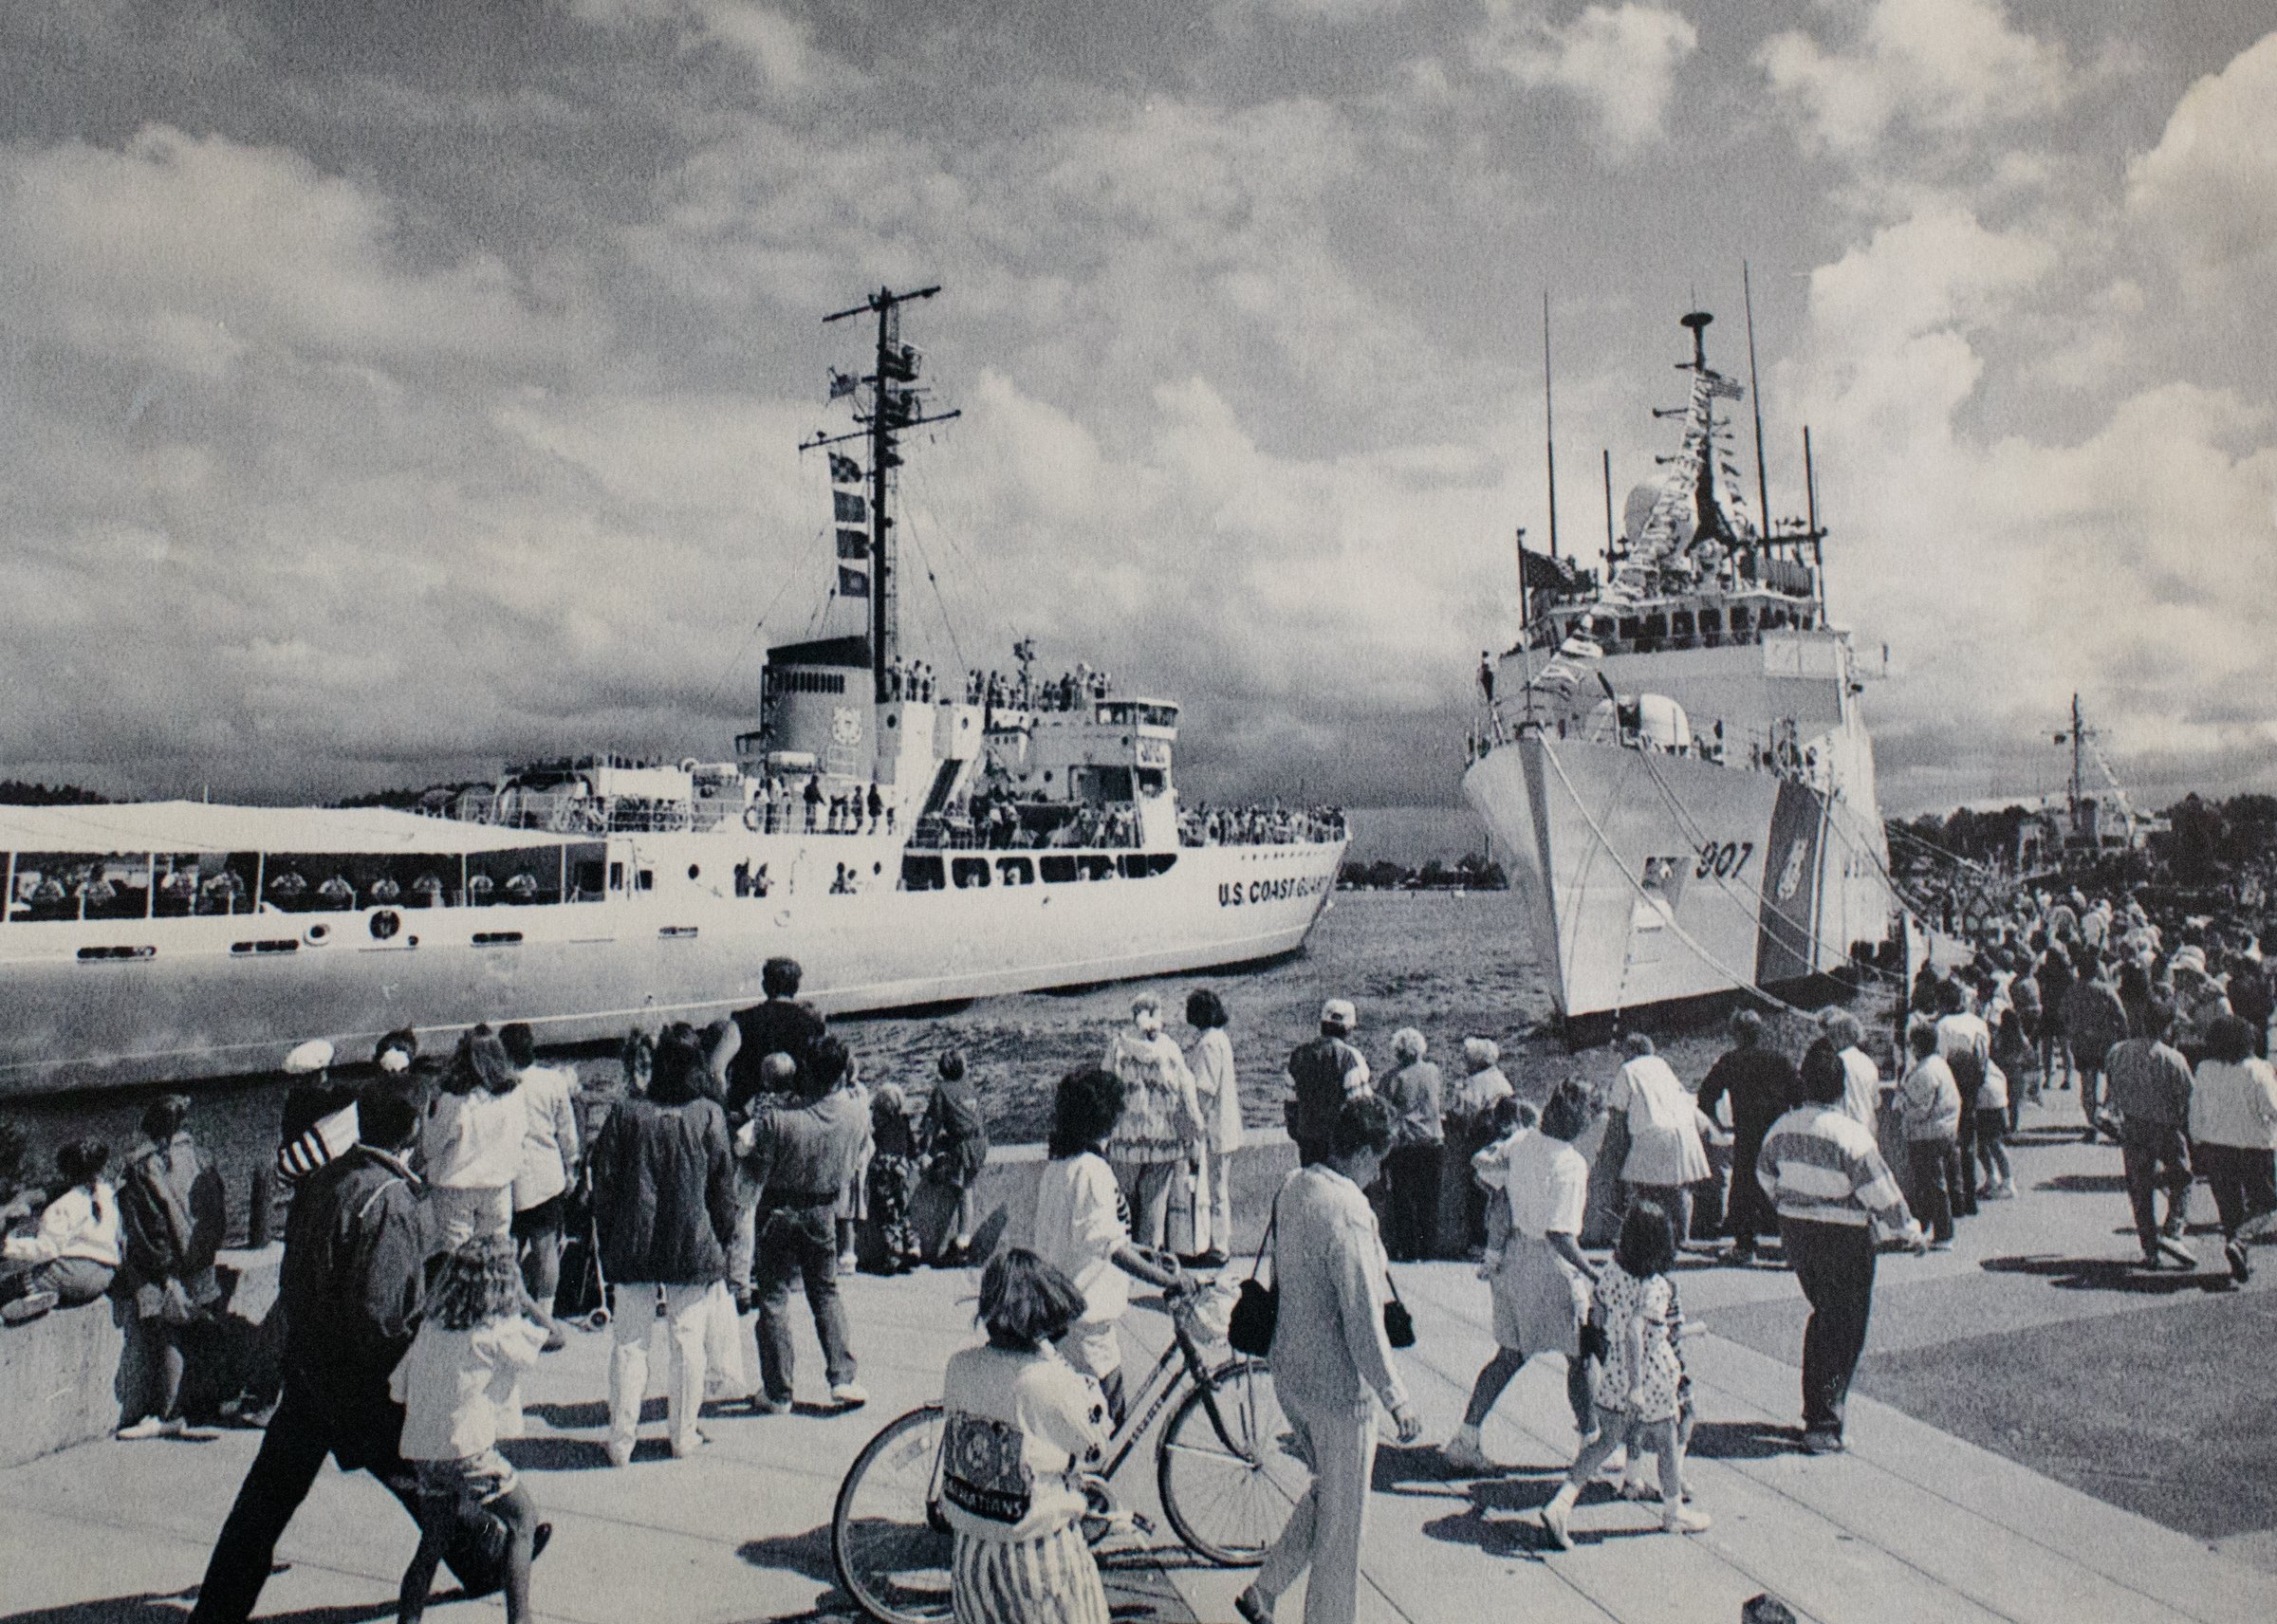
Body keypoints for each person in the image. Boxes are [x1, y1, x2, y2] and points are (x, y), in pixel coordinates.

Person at [187, 1077, 538, 1624]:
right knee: (423, 1477)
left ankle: (214, 1614)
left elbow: (295, 1279)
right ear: (413, 1128)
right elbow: (382, 1316)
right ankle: (484, 1560)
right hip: (361, 1385)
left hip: (308, 1373)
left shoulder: (325, 1180)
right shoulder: (390, 1199)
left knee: (262, 1508)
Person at [1234, 1097, 1420, 1624]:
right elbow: (1363, 1318)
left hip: (1290, 1371)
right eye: (1378, 1160)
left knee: (1326, 1498)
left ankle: (1266, 1590)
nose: (1379, 1173)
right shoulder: (1349, 1211)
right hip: (1341, 1390)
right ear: (1361, 1152)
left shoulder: (1296, 1186)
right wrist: (1396, 1396)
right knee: (1344, 1533)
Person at [1755, 1039, 1926, 1455]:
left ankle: (1818, 1411)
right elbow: (1881, 1192)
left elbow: (1764, 1176)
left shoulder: (1781, 1128)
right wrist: (1909, 1231)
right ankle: (1823, 1422)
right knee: (1846, 1328)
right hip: (1844, 1237)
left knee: (1824, 1316)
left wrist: (1789, 1204)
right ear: (1839, 1087)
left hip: (1799, 1235)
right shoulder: (1851, 1135)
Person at [938, 1249, 1113, 1624]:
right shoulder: (1049, 1380)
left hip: (971, 1552)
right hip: (1037, 1555)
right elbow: (1095, 1444)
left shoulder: (960, 1365)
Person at [589, 1028, 736, 1463]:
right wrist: (721, 1240)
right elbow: (723, 1190)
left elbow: (605, 1183)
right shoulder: (708, 1114)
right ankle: (681, 1434)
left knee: (629, 1342)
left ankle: (621, 1438)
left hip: (632, 1242)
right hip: (692, 1241)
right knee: (687, 1342)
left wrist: (609, 1234)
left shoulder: (625, 1113)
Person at [391, 1237, 547, 1624]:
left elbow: (399, 1389)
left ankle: (408, 1620)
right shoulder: (493, 1331)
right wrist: (527, 1301)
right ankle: (520, 1620)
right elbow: (554, 1337)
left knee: (433, 1542)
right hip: (469, 1452)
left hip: (424, 1450)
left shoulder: (430, 1328)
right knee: (523, 1520)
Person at [1444, 1081, 1597, 1473]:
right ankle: (1592, 1443)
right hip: (1549, 1268)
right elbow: (1560, 1235)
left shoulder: (1523, 1141)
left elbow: (1484, 1168)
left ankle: (1466, 1436)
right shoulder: (1572, 1164)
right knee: (1580, 1356)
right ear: (1584, 1121)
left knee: (1509, 1355)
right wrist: (1594, 1272)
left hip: (1512, 1259)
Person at [1539, 1200, 1710, 1547]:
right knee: (1666, 1440)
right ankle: (1673, 1511)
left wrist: (1609, 1348)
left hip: (1614, 1369)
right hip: (1650, 1374)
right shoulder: (1656, 1286)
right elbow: (1636, 1329)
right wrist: (1637, 1386)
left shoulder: (1612, 1271)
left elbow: (1599, 1310)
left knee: (1605, 1441)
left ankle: (1562, 1502)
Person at [1028, 1067, 1185, 1423]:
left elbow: (1092, 1238)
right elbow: (1108, 1246)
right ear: (1107, 1118)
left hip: (1065, 1312)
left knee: (1087, 1424)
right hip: (1086, 1325)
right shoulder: (1092, 1170)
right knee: (1111, 1424)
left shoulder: (1060, 1166)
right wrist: (1169, 1281)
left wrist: (1146, 1254)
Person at [745, 1034, 871, 1412]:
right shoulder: (857, 1112)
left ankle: (778, 1390)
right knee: (825, 1292)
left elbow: (755, 1169)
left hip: (779, 1210)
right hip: (823, 1211)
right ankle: (842, 1378)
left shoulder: (778, 1120)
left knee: (773, 1298)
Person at [113, 1094, 227, 1436]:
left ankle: (166, 1414)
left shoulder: (141, 1166)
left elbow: (149, 1229)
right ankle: (207, 1403)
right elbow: (216, 1210)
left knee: (171, 1331)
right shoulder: (201, 1154)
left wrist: (163, 1275)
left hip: (171, 1264)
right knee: (203, 1324)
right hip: (202, 1257)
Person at [1102, 996, 1205, 1252]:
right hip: (1164, 1141)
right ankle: (1149, 1261)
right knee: (1154, 1207)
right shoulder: (1169, 1048)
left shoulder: (1118, 1047)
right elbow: (1187, 1093)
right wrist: (1194, 1133)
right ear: (1157, 1017)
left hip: (1125, 1142)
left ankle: (1123, 1261)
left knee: (1120, 1204)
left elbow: (1105, 1087)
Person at [500, 1023, 580, 1347]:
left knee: (510, 1251)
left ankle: (511, 1315)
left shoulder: (500, 1085)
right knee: (547, 1250)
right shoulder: (553, 1081)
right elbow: (567, 1131)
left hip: (509, 1177)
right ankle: (545, 1318)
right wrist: (571, 1164)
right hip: (546, 1177)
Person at [1696, 1012, 1796, 1264]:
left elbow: (1706, 1095)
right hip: (1777, 1132)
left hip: (1748, 1132)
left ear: (1737, 1034)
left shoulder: (1731, 1061)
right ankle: (1789, 1244)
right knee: (1783, 1186)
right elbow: (1800, 1094)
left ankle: (1744, 1246)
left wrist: (1718, 1124)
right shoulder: (1780, 1059)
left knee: (1744, 1189)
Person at [1595, 1033, 1711, 1246]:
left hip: (1654, 1135)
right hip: (1684, 1132)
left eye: (1624, 1053)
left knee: (1644, 1191)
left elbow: (1618, 1114)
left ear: (1632, 1051)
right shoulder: (1662, 1065)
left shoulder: (1628, 1070)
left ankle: (1644, 1240)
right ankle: (1682, 1239)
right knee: (1679, 1189)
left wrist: (1609, 1151)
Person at [2188, 1015, 2277, 1286]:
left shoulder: (2204, 1069)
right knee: (2267, 1204)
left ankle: (2239, 1256)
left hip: (2215, 1147)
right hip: (2254, 1147)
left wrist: (2197, 1141)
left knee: (2229, 1207)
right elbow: (2272, 1108)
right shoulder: (2258, 1069)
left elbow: (2195, 1109)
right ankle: (2241, 1242)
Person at [2105, 1002, 2195, 1268]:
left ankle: (2149, 1249)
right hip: (2167, 1127)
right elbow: (2189, 1097)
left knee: (2140, 1187)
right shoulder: (2173, 1059)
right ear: (2167, 1026)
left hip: (2133, 1125)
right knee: (2182, 1178)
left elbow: (2111, 1086)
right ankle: (2173, 1230)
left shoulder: (2118, 1052)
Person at [424, 1027, 525, 1247]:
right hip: (498, 1187)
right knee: (496, 1258)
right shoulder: (513, 1096)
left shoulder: (454, 1101)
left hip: (456, 1189)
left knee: (455, 1261)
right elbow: (520, 1137)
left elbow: (430, 1147)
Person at [0, 1138, 118, 1325]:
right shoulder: (107, 1195)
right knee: (58, 1276)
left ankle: (22, 1305)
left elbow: (47, 1249)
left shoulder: (65, 1204)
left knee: (19, 1280)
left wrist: (8, 1247)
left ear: (66, 1174)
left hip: (75, 1274)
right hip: (105, 1275)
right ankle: (49, 1296)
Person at [727, 956, 828, 1116]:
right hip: (798, 1113)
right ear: (796, 986)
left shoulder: (741, 1020)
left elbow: (716, 1069)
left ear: (765, 985)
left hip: (751, 1114)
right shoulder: (812, 1023)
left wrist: (729, 1109)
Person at [1379, 1028, 1446, 1263]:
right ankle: (1429, 1250)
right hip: (1433, 1141)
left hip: (1405, 1144)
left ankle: (1409, 1251)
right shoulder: (1433, 1071)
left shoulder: (1392, 1078)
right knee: (1429, 1199)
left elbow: (1383, 1111)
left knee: (1404, 1200)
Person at [1185, 987, 1240, 1266]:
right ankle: (1220, 1245)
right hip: (1227, 1126)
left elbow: (1204, 1090)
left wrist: (1193, 1123)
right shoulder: (1221, 1039)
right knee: (1220, 1190)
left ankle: (1217, 1248)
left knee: (1215, 1192)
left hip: (1214, 1130)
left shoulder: (1207, 1044)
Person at [1895, 1024, 1962, 1250]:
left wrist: (1901, 1105)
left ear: (1916, 1045)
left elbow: (1918, 1110)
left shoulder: (1924, 1072)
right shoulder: (1939, 1065)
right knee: (1931, 1186)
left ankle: (1942, 1235)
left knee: (1931, 1186)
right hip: (1944, 1132)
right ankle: (1924, 1230)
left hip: (1927, 1136)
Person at [1443, 1039, 1514, 1250]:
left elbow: (1461, 1112)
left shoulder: (1476, 1082)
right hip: (1502, 1143)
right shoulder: (1502, 1081)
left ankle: (1478, 1242)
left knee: (1477, 1193)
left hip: (1481, 1142)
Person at [921, 1049, 990, 1264]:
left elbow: (932, 1124)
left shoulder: (941, 1091)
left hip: (964, 1147)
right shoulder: (970, 1087)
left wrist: (925, 1151)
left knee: (964, 1190)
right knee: (965, 1187)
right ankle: (962, 1242)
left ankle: (962, 1242)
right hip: (980, 1142)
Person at [1284, 999, 1370, 1166]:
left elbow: (1290, 1100)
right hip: (1340, 1142)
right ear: (1348, 1029)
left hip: (1307, 1138)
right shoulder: (1350, 1057)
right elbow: (1360, 1104)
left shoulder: (1298, 1055)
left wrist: (1298, 1132)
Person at [1933, 983, 1990, 1214]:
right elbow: (1985, 1054)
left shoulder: (1943, 1026)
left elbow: (1940, 1058)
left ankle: (1956, 1198)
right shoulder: (1978, 1023)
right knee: (1969, 1141)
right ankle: (1970, 1196)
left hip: (1952, 1084)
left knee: (1950, 1143)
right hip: (1973, 1084)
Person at [2062, 955, 2130, 1142]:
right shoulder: (2105, 990)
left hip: (2081, 1042)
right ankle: (2105, 1114)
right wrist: (2124, 1035)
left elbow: (2063, 1015)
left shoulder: (2071, 991)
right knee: (2111, 1080)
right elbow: (2120, 1013)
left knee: (2087, 1083)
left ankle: (2092, 1122)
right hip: (2104, 1041)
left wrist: (2072, 1031)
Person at [864, 1083, 923, 1274]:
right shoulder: (904, 1122)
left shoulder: (879, 1128)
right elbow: (912, 1148)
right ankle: (913, 1246)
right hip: (902, 1172)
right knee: (904, 1210)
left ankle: (894, 1254)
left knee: (888, 1213)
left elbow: (872, 1150)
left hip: (884, 1174)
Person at [1819, 1010, 1881, 1131]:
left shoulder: (1836, 1062)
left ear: (1840, 1037)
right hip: (1868, 1128)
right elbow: (1876, 1101)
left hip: (1845, 1127)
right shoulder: (1868, 1062)